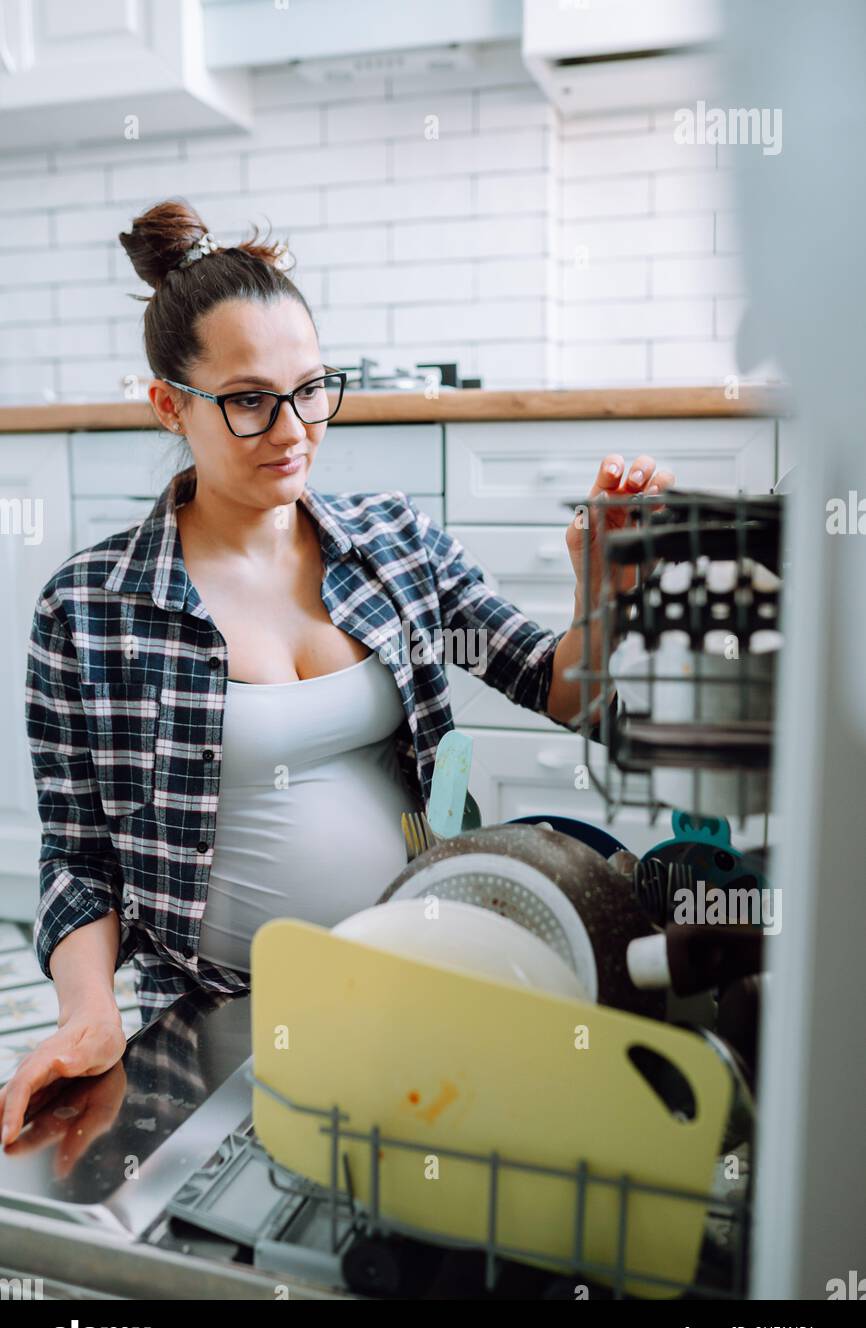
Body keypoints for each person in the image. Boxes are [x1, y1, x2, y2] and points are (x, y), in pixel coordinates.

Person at [0, 199, 672, 1148]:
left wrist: (604, 586)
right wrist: (85, 1013)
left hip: (427, 965)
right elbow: (77, 859)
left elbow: (561, 690)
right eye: (249, 400)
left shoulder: (394, 548)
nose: (293, 429)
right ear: (168, 406)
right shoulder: (90, 610)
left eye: (313, 388)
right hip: (219, 1010)